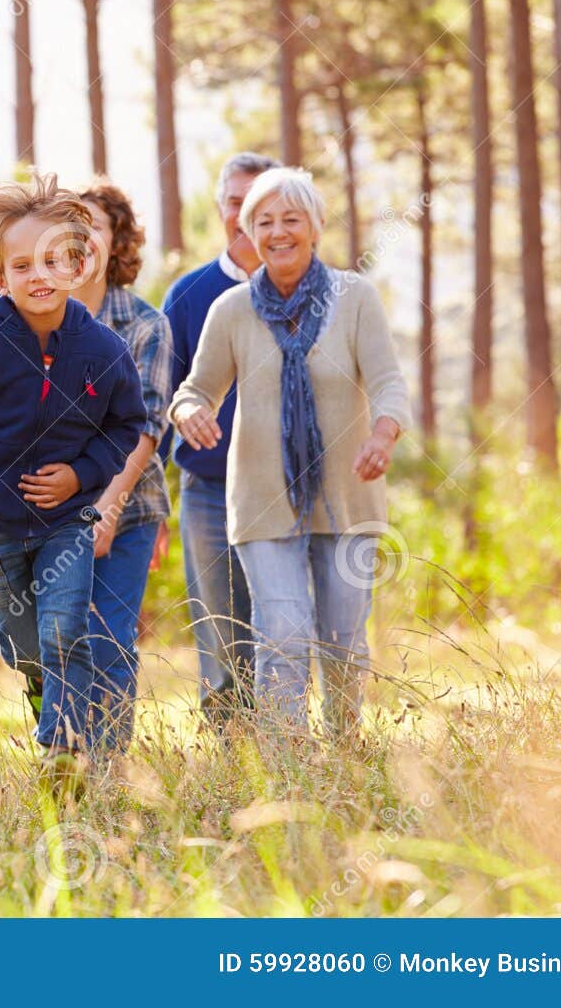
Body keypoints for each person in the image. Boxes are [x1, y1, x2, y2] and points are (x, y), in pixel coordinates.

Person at [170, 167, 410, 734]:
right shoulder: (230, 309)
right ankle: (291, 763)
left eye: (291, 219)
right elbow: (194, 389)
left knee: (343, 641)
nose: (278, 232)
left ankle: (345, 747)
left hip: (348, 497)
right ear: (249, 233)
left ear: (316, 227)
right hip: (261, 500)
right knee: (281, 632)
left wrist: (382, 434)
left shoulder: (355, 298)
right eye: (264, 222)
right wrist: (189, 413)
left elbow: (388, 382)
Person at [0, 175, 145, 772]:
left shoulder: (105, 350)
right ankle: (54, 710)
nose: (38, 275)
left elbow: (126, 426)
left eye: (52, 260)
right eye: (22, 265)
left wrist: (81, 475)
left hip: (66, 523)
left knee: (65, 632)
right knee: (24, 649)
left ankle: (63, 752)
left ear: (76, 264)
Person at [161, 151, 278, 730]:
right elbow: (161, 397)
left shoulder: (312, 289)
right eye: (236, 203)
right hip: (207, 489)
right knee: (220, 628)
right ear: (221, 208)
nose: (247, 216)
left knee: (287, 624)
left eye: (260, 203)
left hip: (289, 485)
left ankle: (293, 747)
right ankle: (234, 759)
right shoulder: (187, 294)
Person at [72, 178, 173, 753]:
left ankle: (107, 770)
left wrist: (104, 511)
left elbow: (145, 428)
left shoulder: (143, 324)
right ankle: (63, 759)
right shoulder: (35, 315)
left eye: (96, 228)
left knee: (108, 637)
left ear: (118, 241)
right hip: (49, 509)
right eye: (71, 228)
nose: (82, 239)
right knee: (56, 641)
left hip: (128, 509)